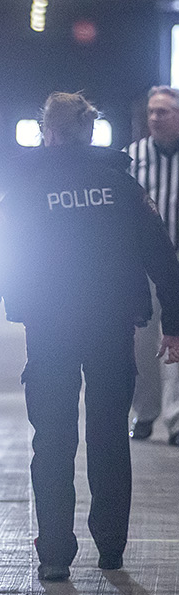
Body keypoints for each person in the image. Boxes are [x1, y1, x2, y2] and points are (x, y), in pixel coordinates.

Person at [0, 91, 179, 581]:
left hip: (50, 329)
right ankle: (111, 548)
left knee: (54, 438)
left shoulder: (27, 187)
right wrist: (175, 324)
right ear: (87, 133)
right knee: (109, 436)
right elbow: (161, 254)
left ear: (50, 133)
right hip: (111, 327)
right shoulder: (119, 185)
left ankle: (55, 553)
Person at [126, 85, 179, 444]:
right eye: (152, 112)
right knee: (142, 342)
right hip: (144, 263)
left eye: (164, 112)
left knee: (176, 341)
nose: (156, 118)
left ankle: (176, 419)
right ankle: (144, 414)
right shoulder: (134, 156)